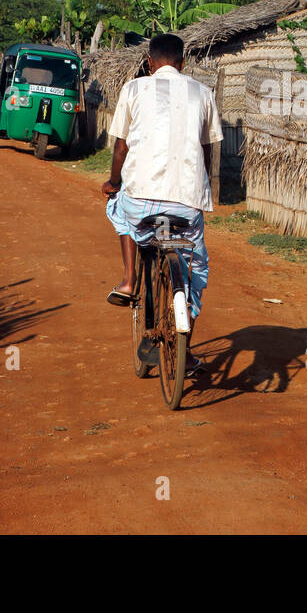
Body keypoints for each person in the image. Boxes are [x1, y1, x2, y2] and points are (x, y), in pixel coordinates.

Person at [101, 32, 222, 373]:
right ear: (183, 63)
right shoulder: (204, 93)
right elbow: (207, 150)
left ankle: (127, 280)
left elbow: (121, 148)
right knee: (195, 267)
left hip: (140, 200)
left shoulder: (134, 88)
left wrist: (114, 182)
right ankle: (184, 344)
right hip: (185, 204)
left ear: (150, 64)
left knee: (116, 208)